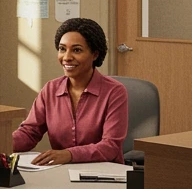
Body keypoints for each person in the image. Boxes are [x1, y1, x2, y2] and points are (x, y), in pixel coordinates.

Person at [13, 17, 128, 165]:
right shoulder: (50, 89)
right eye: (62, 49)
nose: (66, 57)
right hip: (60, 172)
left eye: (77, 50)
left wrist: (69, 155)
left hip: (104, 174)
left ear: (95, 54)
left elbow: (110, 147)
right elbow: (30, 133)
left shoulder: (115, 92)